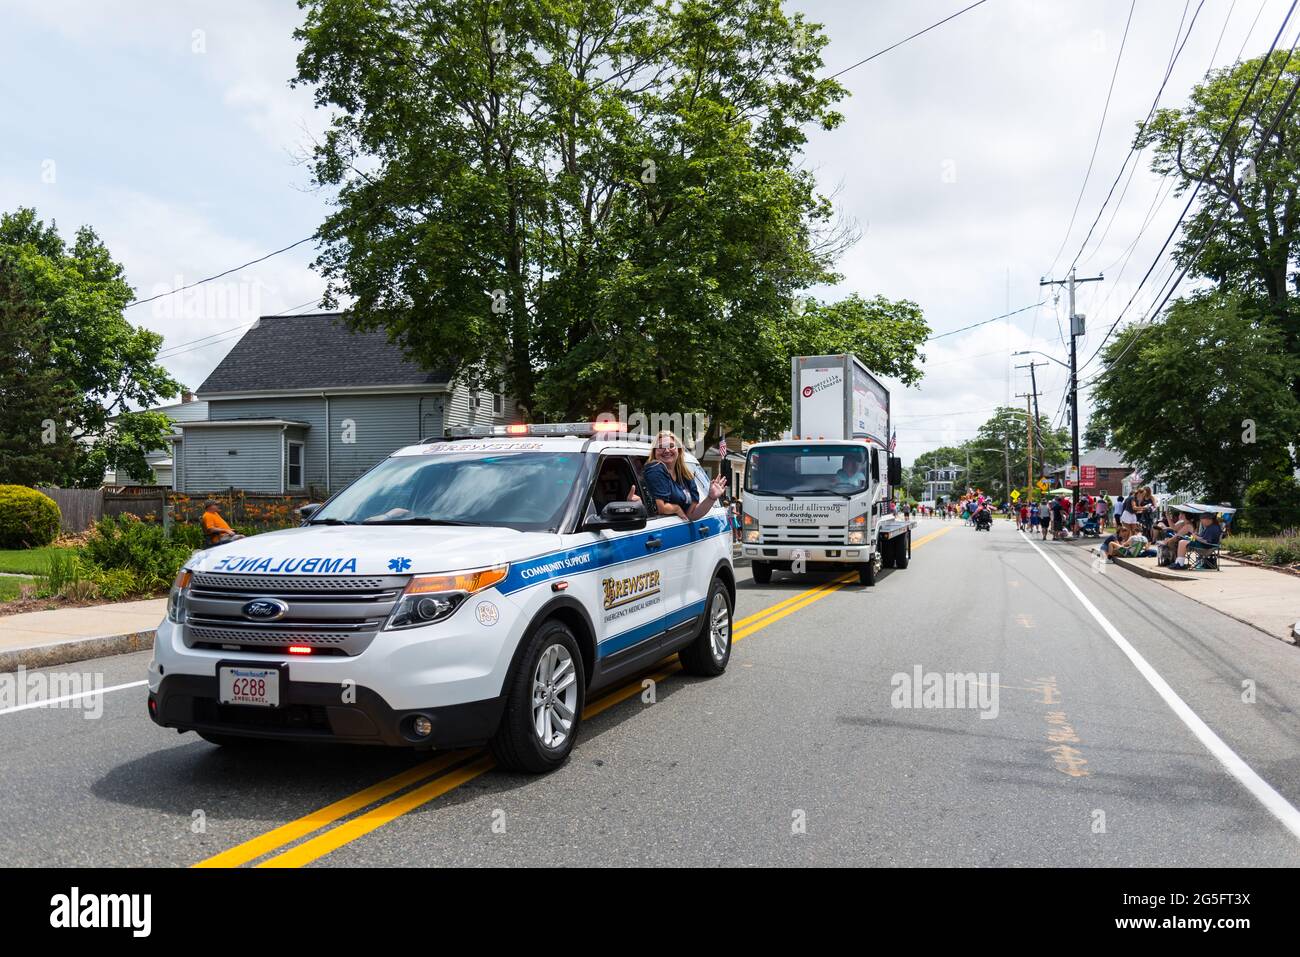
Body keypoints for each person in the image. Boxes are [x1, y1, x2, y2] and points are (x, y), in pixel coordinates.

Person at [643, 430, 726, 521]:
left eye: (671, 446)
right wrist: (677, 508)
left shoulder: (686, 476)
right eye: (660, 447)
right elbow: (660, 508)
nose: (666, 450)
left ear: (678, 449)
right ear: (655, 452)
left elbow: (691, 515)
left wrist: (711, 498)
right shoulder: (655, 469)